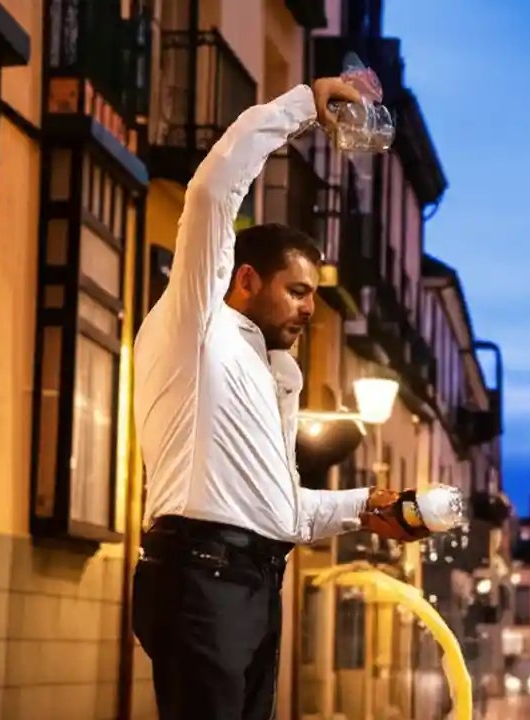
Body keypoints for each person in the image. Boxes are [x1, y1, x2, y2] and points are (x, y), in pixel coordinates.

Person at [130, 78, 433, 720]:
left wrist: (370, 506)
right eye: (296, 291)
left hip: (253, 580)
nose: (310, 309)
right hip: (199, 575)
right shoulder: (197, 325)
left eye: (314, 296)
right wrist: (303, 105)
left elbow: (278, 508)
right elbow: (213, 192)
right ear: (245, 279)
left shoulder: (272, 372)